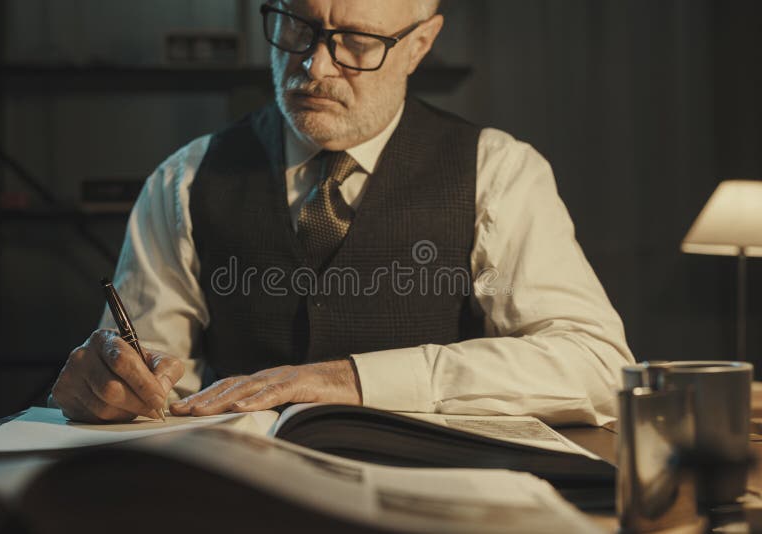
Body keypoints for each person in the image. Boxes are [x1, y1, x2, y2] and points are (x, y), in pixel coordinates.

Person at [50, 0, 634, 426]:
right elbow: (147, 368)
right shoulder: (184, 179)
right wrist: (109, 390)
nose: (315, 68)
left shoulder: (500, 171)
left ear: (420, 45)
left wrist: (353, 378)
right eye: (296, 26)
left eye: (356, 42)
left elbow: (597, 365)